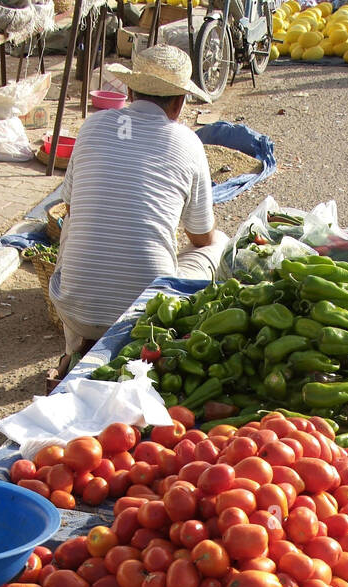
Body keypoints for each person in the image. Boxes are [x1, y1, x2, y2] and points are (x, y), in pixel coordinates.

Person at [47, 44, 229, 382]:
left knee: (72, 224)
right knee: (219, 244)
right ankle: (169, 341)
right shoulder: (188, 142)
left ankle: (75, 351)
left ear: (130, 92)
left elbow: (70, 208)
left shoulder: (92, 126)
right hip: (146, 317)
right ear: (179, 103)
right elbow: (201, 236)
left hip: (74, 309)